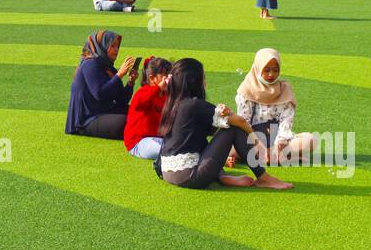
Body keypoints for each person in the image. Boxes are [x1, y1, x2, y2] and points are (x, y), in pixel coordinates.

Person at [155, 58, 293, 190]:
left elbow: (205, 133)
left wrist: (224, 115)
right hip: (189, 176)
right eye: (203, 77)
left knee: (222, 130)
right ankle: (263, 177)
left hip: (168, 172)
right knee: (233, 128)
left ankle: (222, 176)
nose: (205, 81)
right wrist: (256, 140)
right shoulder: (194, 104)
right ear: (194, 82)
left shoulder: (173, 104)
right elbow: (240, 122)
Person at [231, 48, 319, 167]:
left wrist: (280, 141)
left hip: (277, 140)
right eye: (266, 70)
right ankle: (281, 157)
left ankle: (272, 155)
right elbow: (244, 122)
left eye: (275, 70)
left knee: (311, 140)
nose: (271, 74)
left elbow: (286, 120)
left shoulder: (284, 89)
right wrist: (257, 144)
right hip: (253, 140)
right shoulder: (247, 89)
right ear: (258, 68)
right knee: (227, 144)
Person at [65, 30, 137, 139]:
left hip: (104, 111)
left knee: (138, 111)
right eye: (112, 46)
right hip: (87, 119)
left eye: (117, 46)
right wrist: (119, 75)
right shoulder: (89, 64)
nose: (116, 50)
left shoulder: (108, 67)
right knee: (124, 121)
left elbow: (122, 100)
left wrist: (130, 82)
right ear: (102, 46)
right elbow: (99, 93)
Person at [123, 56, 172, 160]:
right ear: (151, 78)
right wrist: (158, 87)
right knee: (168, 149)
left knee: (177, 145)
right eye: (164, 75)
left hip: (156, 139)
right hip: (138, 143)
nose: (167, 79)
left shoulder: (165, 96)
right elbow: (139, 102)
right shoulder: (143, 92)